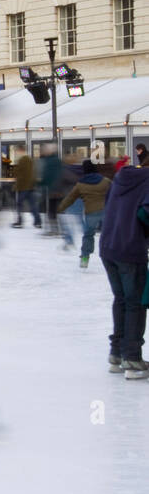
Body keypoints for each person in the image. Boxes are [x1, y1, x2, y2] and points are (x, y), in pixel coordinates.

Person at [97, 158, 149, 380]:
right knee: (135, 302)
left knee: (121, 299)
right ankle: (132, 359)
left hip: (108, 246)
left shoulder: (121, 177)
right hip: (130, 248)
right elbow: (145, 213)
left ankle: (117, 354)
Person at [58, 159, 111, 269]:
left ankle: (85, 258)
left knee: (88, 235)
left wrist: (61, 207)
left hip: (91, 213)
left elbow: (70, 198)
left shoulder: (80, 184)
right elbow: (116, 193)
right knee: (110, 235)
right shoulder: (105, 181)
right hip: (106, 212)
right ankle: (112, 257)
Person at [10, 150, 40, 228]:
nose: (16, 153)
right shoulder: (31, 160)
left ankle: (19, 222)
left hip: (23, 187)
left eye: (16, 152)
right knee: (33, 205)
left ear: (20, 151)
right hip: (31, 187)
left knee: (19, 204)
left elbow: (18, 174)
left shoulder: (21, 160)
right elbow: (34, 173)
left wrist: (16, 186)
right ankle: (38, 222)